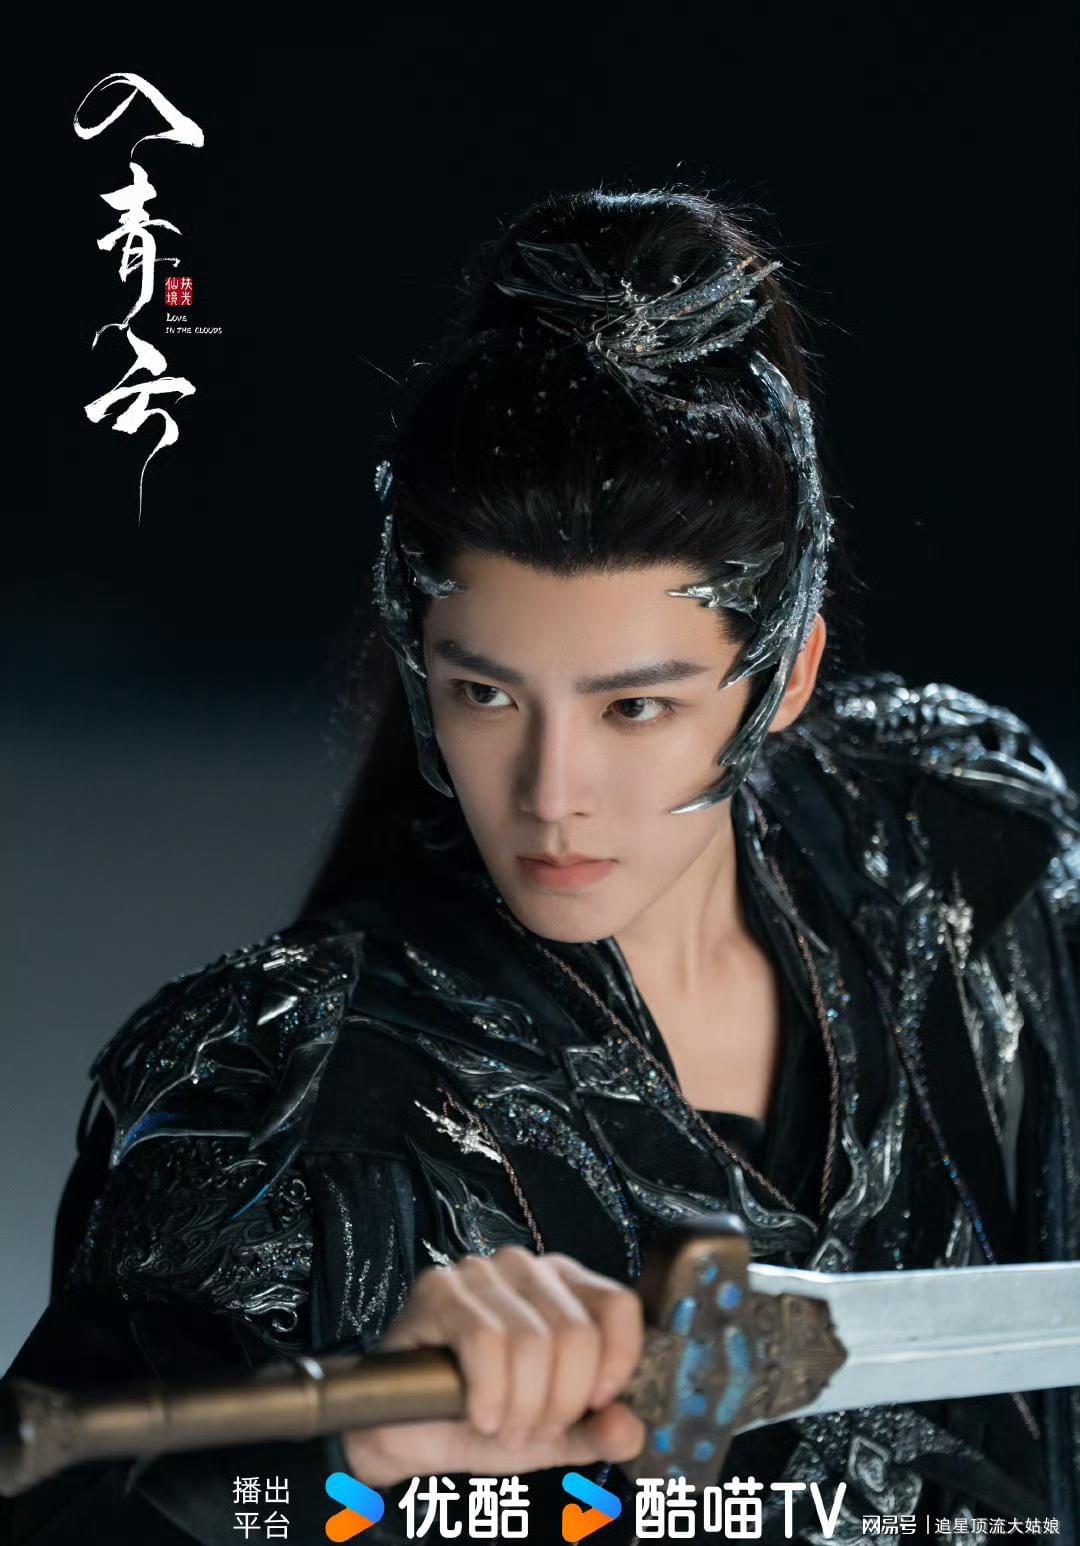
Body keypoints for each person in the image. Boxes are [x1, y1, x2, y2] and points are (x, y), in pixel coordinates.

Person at [4, 187, 1079, 1545]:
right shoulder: (297, 1102)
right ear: (421, 664)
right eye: (488, 693)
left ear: (787, 677)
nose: (551, 793)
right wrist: (345, 1451)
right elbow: (66, 1491)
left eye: (635, 706)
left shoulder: (966, 869)